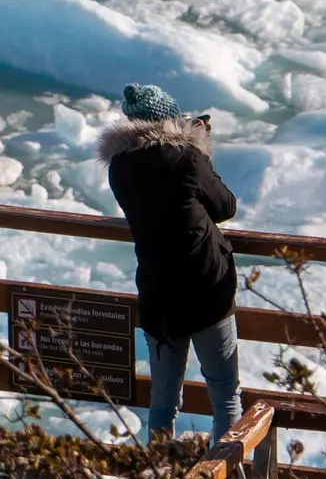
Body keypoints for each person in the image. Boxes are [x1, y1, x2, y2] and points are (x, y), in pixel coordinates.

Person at [100, 83, 240, 441]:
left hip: (159, 295)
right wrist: (199, 146)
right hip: (207, 288)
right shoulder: (187, 159)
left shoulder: (120, 167)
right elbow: (225, 206)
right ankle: (227, 465)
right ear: (170, 119)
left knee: (163, 398)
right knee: (225, 393)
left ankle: (160, 464)